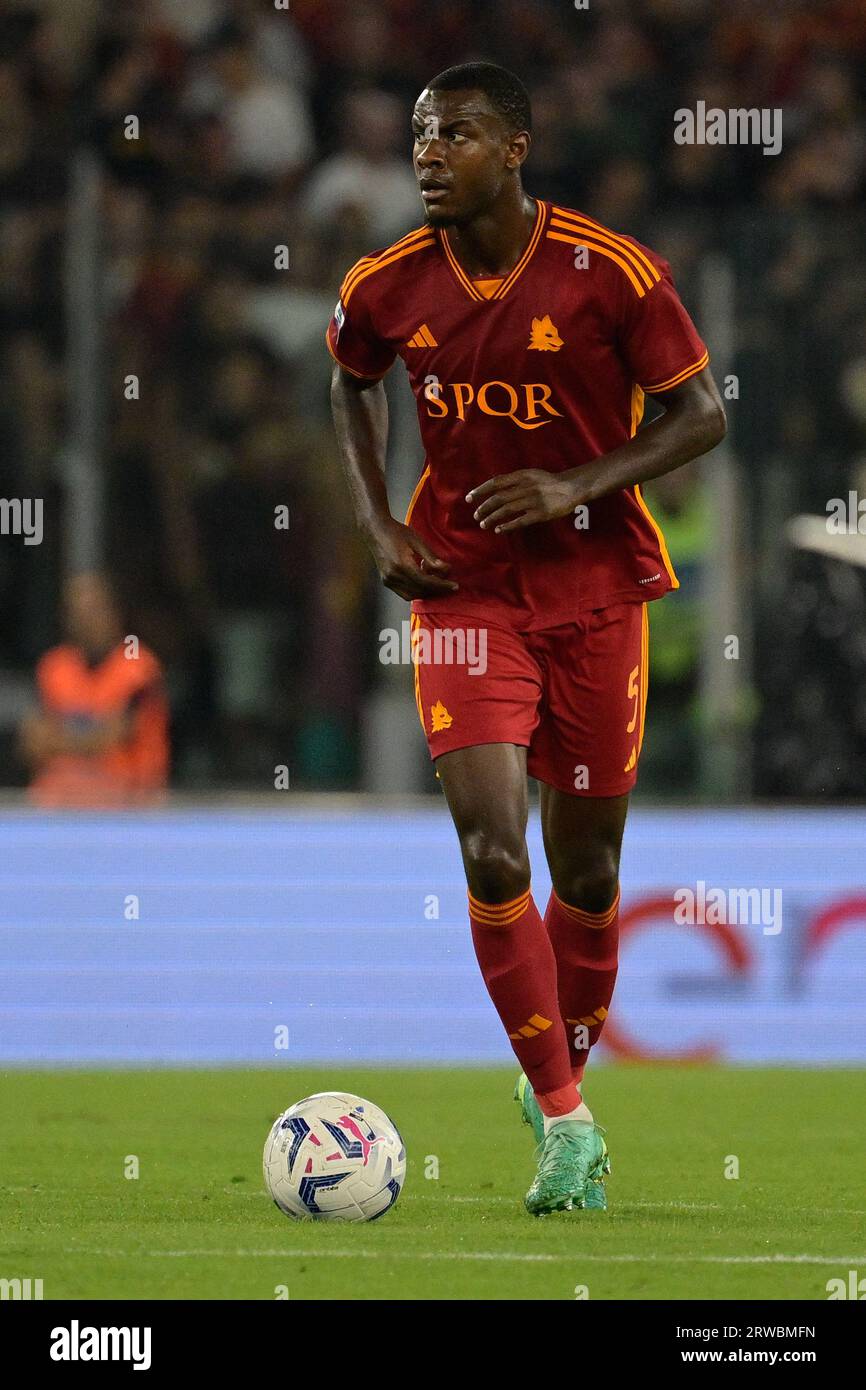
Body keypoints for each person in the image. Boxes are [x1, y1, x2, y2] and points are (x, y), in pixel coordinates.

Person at [328, 62, 726, 1215]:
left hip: (597, 590)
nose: (426, 153)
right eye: (417, 133)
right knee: (493, 850)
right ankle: (567, 1122)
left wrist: (578, 483)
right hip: (462, 590)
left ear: (515, 148)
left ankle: (553, 1072)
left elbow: (701, 415)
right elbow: (348, 383)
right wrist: (377, 522)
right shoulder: (387, 284)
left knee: (587, 869)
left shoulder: (611, 273)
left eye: (454, 134)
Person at [19, 572, 169, 808]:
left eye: (93, 611)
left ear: (113, 613)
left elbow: (114, 735)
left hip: (129, 805)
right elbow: (32, 742)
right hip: (59, 805)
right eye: (77, 613)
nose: (85, 621)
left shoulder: (137, 664)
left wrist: (60, 739)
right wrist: (92, 736)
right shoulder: (54, 665)